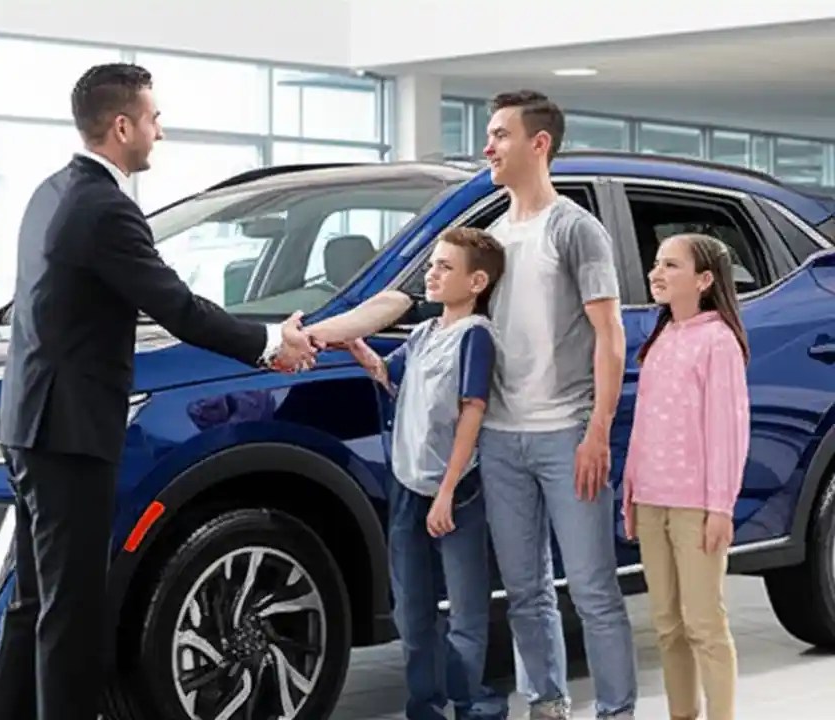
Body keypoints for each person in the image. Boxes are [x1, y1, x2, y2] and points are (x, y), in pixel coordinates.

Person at [0, 63, 317, 720]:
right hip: (71, 433)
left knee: (34, 605)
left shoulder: (54, 191)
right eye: (154, 118)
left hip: (30, 424)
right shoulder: (105, 207)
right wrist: (269, 342)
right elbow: (177, 308)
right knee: (73, 614)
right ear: (122, 125)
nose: (159, 133)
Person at [304, 89, 638, 719]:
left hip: (566, 433)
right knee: (526, 591)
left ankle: (616, 711)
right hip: (500, 441)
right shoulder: (493, 240)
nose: (488, 146)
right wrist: (323, 333)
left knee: (593, 589)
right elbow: (410, 304)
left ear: (539, 145)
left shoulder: (575, 230)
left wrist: (598, 431)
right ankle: (547, 703)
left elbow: (610, 335)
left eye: (500, 135)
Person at [345, 227, 509, 720]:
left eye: (444, 267)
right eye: (433, 264)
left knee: (464, 610)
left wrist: (447, 492)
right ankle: (426, 707)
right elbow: (387, 374)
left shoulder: (476, 337)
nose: (432, 274)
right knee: (411, 612)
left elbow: (472, 414)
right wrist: (349, 339)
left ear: (477, 281)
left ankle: (471, 703)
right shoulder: (423, 334)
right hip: (407, 487)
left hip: (455, 492)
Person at [622, 233, 750, 720]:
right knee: (667, 624)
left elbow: (728, 432)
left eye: (671, 266)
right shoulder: (662, 340)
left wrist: (721, 507)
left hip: (697, 507)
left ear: (703, 280)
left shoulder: (719, 342)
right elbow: (645, 424)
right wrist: (631, 493)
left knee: (703, 624)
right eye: (657, 264)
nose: (657, 273)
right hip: (652, 502)